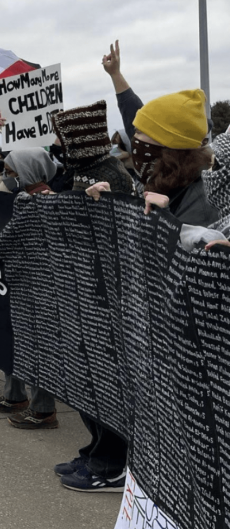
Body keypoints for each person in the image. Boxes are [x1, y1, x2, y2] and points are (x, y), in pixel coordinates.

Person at [69, 86, 219, 493]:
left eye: (144, 139)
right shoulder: (162, 182)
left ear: (170, 148)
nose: (135, 145)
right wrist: (113, 206)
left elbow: (186, 262)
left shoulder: (200, 198)